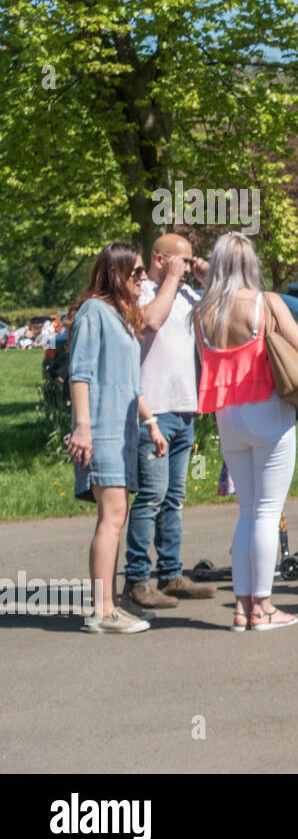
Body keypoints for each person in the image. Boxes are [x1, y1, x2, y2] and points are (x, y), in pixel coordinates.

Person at [195, 232, 298, 632]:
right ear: (250, 264)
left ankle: (241, 607)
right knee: (268, 510)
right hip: (267, 409)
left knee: (247, 510)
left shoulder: (202, 312)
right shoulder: (267, 303)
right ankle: (263, 608)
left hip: (226, 415)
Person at [65, 242, 169, 634]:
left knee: (117, 515)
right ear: (115, 274)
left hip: (124, 432)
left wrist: (151, 423)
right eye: (136, 272)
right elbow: (80, 373)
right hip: (102, 430)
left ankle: (109, 604)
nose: (144, 279)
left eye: (144, 272)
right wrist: (83, 427)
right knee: (112, 516)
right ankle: (102, 612)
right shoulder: (94, 312)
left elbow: (132, 383)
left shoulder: (124, 318)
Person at [123, 233, 217, 610]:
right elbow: (150, 323)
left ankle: (171, 573)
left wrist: (208, 277)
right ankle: (137, 579)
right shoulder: (141, 291)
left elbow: (223, 308)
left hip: (184, 409)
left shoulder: (187, 295)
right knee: (151, 497)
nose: (187, 267)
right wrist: (174, 279)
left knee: (174, 499)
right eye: (183, 261)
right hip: (154, 411)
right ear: (160, 260)